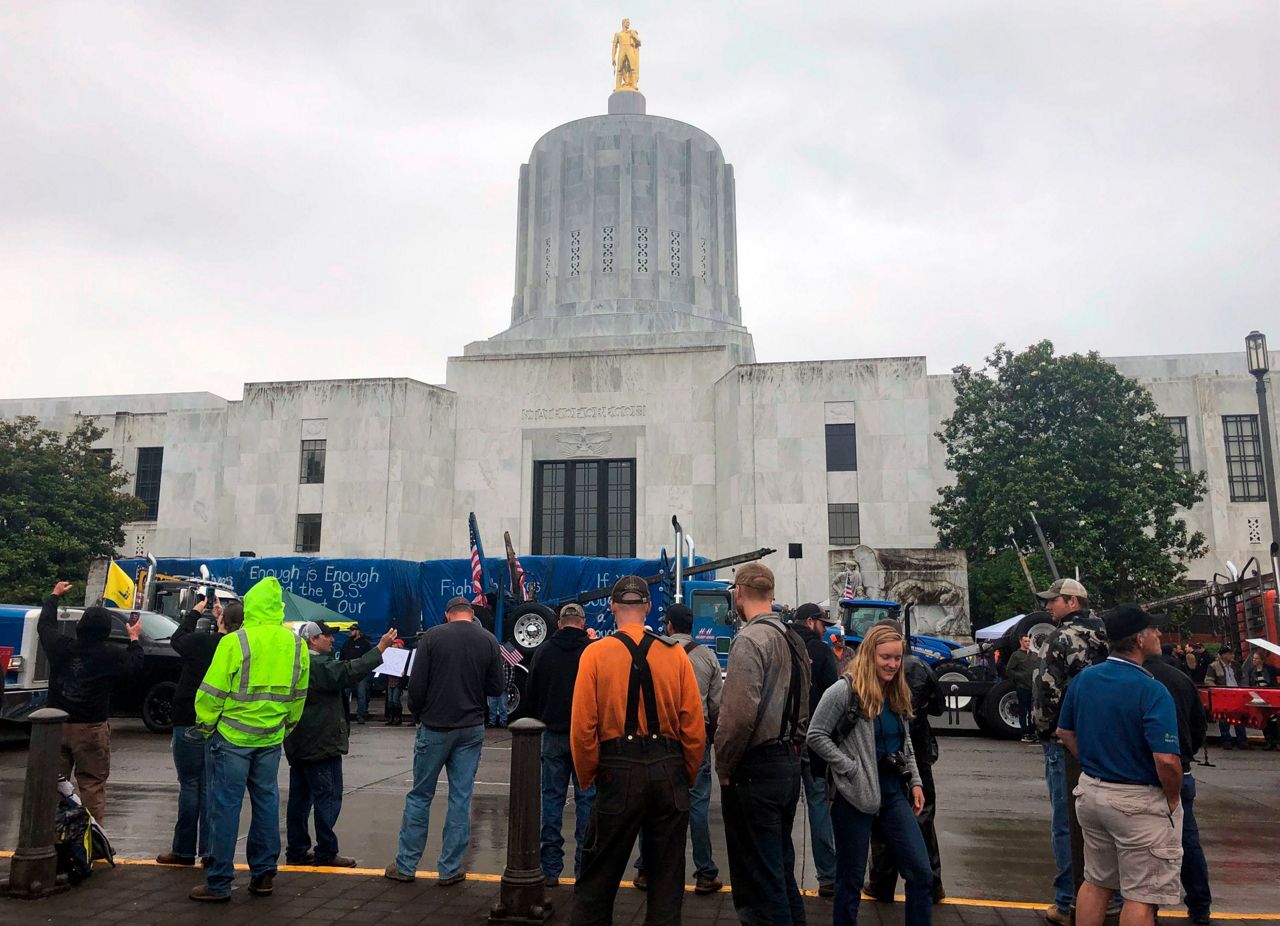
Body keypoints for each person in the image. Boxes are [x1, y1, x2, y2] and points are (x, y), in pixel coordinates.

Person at [569, 576, 704, 926]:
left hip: (617, 768)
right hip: (669, 768)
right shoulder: (675, 655)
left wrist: (590, 776)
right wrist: (684, 774)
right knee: (666, 881)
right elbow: (693, 727)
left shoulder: (595, 654)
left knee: (597, 880)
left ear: (612, 606)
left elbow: (583, 728)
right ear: (647, 607)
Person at [1056, 605, 1184, 926]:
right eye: (1153, 630)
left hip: (1092, 792)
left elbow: (1063, 731)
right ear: (1139, 640)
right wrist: (1172, 797)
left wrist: (1090, 762)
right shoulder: (1152, 689)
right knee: (1141, 894)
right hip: (1137, 801)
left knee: (1097, 881)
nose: (1158, 635)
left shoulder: (1086, 678)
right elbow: (1167, 759)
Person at [191, 577, 310, 903]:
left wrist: (206, 726)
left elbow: (210, 693)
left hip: (230, 736)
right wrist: (285, 727)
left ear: (252, 606)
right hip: (270, 737)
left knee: (224, 808)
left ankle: (218, 882)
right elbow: (298, 696)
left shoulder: (235, 642)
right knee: (267, 803)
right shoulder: (297, 644)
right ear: (279, 608)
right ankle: (263, 874)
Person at [808, 623, 930, 926]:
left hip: (892, 791)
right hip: (854, 794)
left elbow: (905, 742)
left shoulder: (896, 691)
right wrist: (849, 766)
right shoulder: (845, 690)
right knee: (849, 881)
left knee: (921, 872)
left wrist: (915, 780)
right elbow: (815, 734)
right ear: (869, 655)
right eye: (885, 657)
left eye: (897, 658)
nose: (891, 664)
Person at [716, 562, 811, 926]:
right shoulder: (794, 638)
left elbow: (738, 717)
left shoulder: (750, 640)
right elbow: (804, 707)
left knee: (758, 885)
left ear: (738, 593)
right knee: (780, 873)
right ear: (770, 594)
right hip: (788, 764)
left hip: (754, 770)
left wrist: (723, 766)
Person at [385, 596, 504, 886]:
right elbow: (497, 686)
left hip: (436, 725)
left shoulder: (433, 638)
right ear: (471, 614)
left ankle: (406, 865)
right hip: (471, 727)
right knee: (460, 798)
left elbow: (417, 686)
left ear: (447, 614)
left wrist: (419, 712)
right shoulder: (488, 640)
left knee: (420, 796)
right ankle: (450, 869)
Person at [285, 621, 396, 867]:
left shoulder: (295, 662)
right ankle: (326, 850)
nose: (332, 640)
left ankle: (297, 849)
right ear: (313, 639)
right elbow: (348, 672)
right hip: (321, 741)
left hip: (298, 740)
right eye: (327, 636)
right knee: (328, 797)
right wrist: (380, 649)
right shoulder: (317, 665)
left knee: (299, 800)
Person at [1031, 578, 1109, 926]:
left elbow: (1045, 692)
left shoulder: (1059, 638)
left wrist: (1045, 732)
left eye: (1055, 601)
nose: (1049, 607)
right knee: (1105, 823)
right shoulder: (1107, 635)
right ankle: (1112, 899)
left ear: (1072, 602)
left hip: (1065, 740)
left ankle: (1067, 902)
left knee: (1065, 822)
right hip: (1106, 738)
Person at [633, 602, 725, 894]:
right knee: (697, 806)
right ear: (692, 627)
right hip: (696, 737)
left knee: (653, 806)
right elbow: (716, 706)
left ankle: (647, 869)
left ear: (669, 626)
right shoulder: (707, 656)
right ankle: (705, 872)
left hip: (660, 739)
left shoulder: (651, 650)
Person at [37, 581, 144, 823]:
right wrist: (134, 638)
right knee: (92, 785)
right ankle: (88, 843)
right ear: (105, 631)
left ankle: (53, 836)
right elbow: (135, 665)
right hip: (91, 728)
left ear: (80, 626)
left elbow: (45, 626)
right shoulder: (110, 655)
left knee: (55, 784)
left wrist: (54, 596)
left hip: (56, 724)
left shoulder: (60, 647)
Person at [158, 597, 243, 866]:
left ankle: (183, 850)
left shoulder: (201, 643)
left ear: (220, 621)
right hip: (221, 722)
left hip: (188, 718)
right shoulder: (239, 649)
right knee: (210, 787)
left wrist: (196, 611)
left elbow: (178, 638)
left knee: (189, 785)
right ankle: (209, 851)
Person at [866, 620, 945, 904]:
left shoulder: (878, 675)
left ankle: (881, 883)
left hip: (889, 752)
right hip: (918, 750)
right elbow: (939, 706)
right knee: (923, 818)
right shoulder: (921, 666)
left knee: (883, 821)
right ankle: (933, 883)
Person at [526, 602, 595, 887]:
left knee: (552, 800)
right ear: (582, 622)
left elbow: (531, 694)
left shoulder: (543, 651)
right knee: (587, 801)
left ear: (558, 623)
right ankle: (584, 868)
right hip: (585, 735)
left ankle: (550, 868)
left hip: (553, 733)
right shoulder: (591, 652)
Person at [1145, 635, 1213, 925]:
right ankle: (1199, 907)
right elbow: (1199, 725)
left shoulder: (1137, 680)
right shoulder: (1180, 678)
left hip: (1143, 774)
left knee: (1142, 848)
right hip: (1182, 769)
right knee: (1187, 842)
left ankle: (1148, 909)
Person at [790, 602, 839, 898]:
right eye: (823, 624)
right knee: (818, 804)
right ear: (810, 622)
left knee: (783, 810)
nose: (825, 629)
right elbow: (833, 695)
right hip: (816, 739)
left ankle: (783, 875)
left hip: (786, 739)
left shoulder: (780, 643)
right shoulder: (820, 652)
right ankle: (828, 877)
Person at [1204, 646, 1249, 749]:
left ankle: (1242, 740)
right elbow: (1208, 680)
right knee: (1224, 719)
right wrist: (1217, 690)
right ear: (1223, 655)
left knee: (1239, 718)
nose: (1232, 656)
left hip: (1237, 694)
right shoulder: (1214, 666)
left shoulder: (1236, 665)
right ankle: (1226, 740)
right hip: (1223, 695)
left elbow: (1242, 678)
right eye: (1230, 653)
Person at [1006, 634, 1042, 743]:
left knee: (1032, 711)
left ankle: (1032, 732)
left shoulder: (1034, 655)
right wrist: (1019, 677)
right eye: (1025, 641)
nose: (1028, 643)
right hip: (1022, 687)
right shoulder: (1016, 655)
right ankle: (1024, 733)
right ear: (1021, 642)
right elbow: (1009, 670)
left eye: (1028, 641)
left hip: (1033, 687)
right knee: (1023, 710)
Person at [1242, 649, 1278, 750]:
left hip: (1271, 696)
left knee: (1274, 720)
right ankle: (1268, 741)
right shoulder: (1251, 670)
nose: (1254, 660)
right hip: (1259, 697)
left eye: (1256, 658)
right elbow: (1251, 684)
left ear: (1262, 660)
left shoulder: (1269, 669)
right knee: (1263, 719)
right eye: (1253, 658)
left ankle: (1276, 741)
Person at [339, 623, 373, 724]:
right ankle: (344, 715)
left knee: (361, 694)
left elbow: (368, 658)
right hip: (348, 672)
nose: (350, 632)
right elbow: (342, 657)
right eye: (350, 630)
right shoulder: (347, 643)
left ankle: (361, 715)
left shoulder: (365, 643)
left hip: (361, 673)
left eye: (352, 630)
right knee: (345, 695)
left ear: (358, 631)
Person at [383, 638, 407, 726]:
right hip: (390, 679)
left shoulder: (403, 655)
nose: (393, 645)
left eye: (395, 643)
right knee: (390, 700)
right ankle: (391, 717)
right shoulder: (390, 654)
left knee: (395, 700)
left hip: (398, 680)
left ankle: (397, 717)